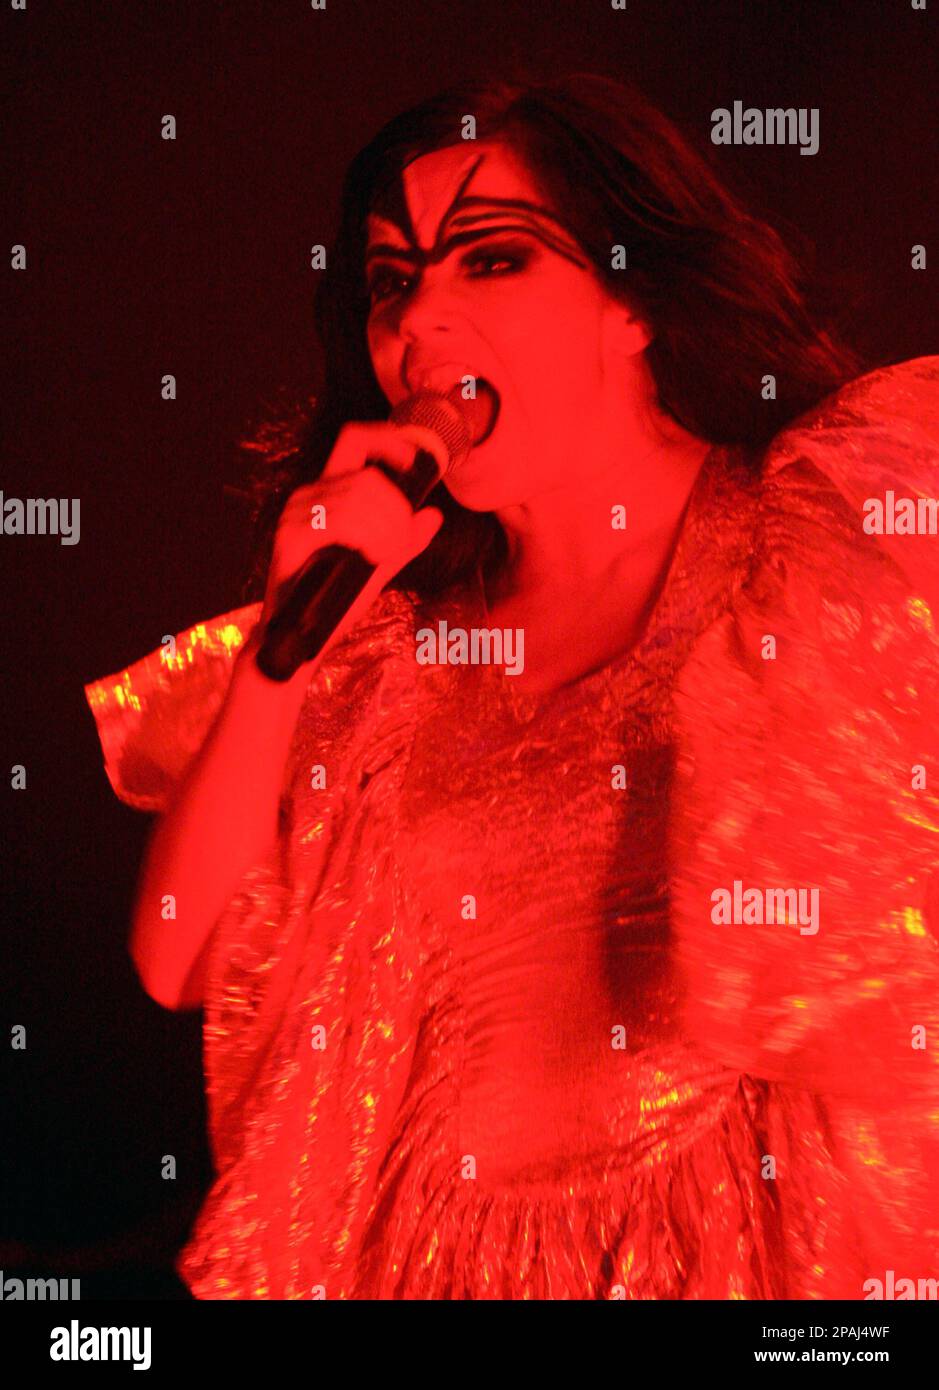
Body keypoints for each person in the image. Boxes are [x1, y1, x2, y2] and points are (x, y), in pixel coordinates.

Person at [85, 74, 939, 1300]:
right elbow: (174, 956)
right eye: (392, 281)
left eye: (488, 261)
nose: (420, 318)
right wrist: (287, 643)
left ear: (635, 297)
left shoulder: (831, 538)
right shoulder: (387, 658)